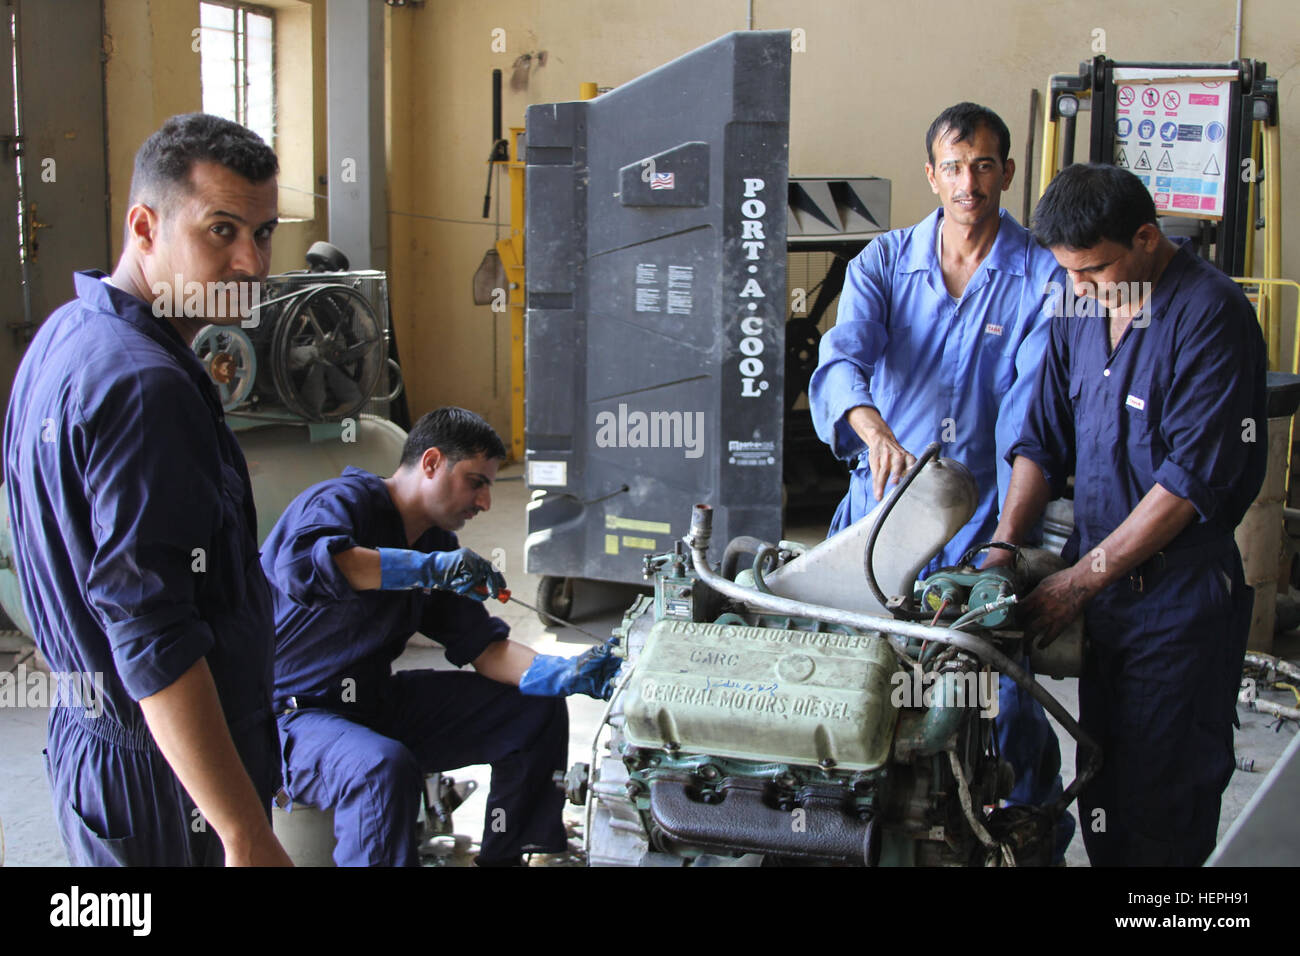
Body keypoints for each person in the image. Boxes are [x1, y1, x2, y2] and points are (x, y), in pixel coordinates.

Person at [3, 114, 291, 865]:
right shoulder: (145, 388)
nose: (250, 263)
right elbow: (153, 633)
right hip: (162, 779)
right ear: (144, 226)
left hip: (97, 743)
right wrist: (242, 828)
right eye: (220, 230)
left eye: (263, 233)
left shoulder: (64, 335)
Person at [809, 102, 1072, 857]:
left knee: (1002, 703)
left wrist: (1005, 546)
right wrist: (872, 427)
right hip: (878, 523)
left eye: (985, 165)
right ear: (931, 175)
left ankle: (1033, 841)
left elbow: (1033, 427)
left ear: (1008, 173)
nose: (969, 183)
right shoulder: (885, 262)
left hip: (983, 527)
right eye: (954, 167)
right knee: (860, 686)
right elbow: (842, 360)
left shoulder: (1040, 277)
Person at [990, 162, 1267, 866]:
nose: (1077, 289)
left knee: (1163, 800)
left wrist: (1078, 582)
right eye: (1067, 274)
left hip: (1177, 603)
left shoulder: (1211, 313)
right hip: (1108, 601)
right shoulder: (1079, 307)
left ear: (1146, 239)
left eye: (1094, 271)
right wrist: (1002, 549)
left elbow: (1188, 483)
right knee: (1105, 787)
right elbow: (1039, 442)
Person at [262, 406, 621, 866]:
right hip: (290, 720)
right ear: (431, 463)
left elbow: (485, 649)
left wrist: (567, 673)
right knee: (379, 769)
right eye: (477, 482)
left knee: (534, 711)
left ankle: (516, 855)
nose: (485, 502)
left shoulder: (435, 545)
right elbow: (306, 566)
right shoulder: (342, 502)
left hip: (370, 703)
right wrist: (425, 570)